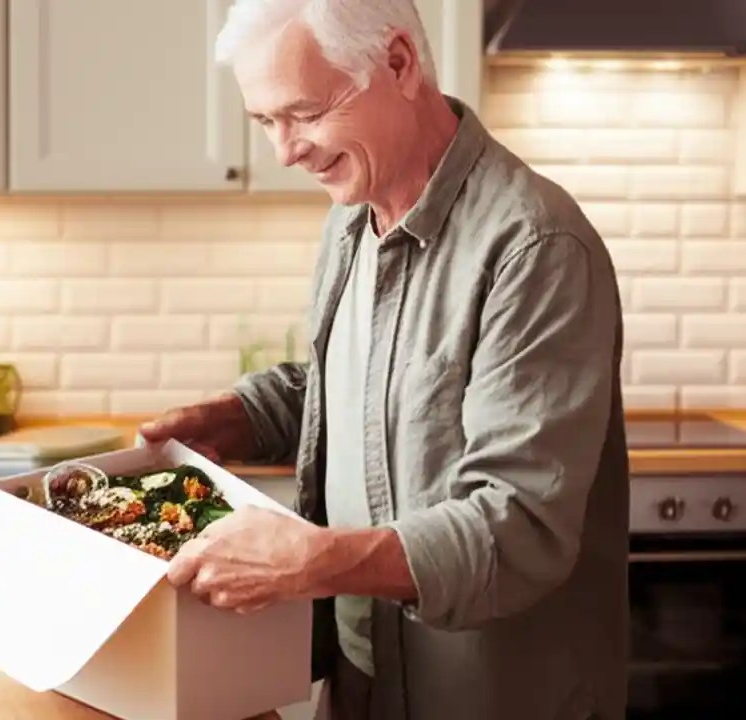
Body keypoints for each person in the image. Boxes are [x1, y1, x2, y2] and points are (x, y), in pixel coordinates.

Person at [139, 0, 629, 718]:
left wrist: (310, 561)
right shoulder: (354, 215)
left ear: (397, 63)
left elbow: (519, 525)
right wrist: (242, 416)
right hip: (366, 679)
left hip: (491, 696)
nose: (285, 151)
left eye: (304, 113)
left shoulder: (534, 247)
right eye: (265, 122)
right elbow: (370, 390)